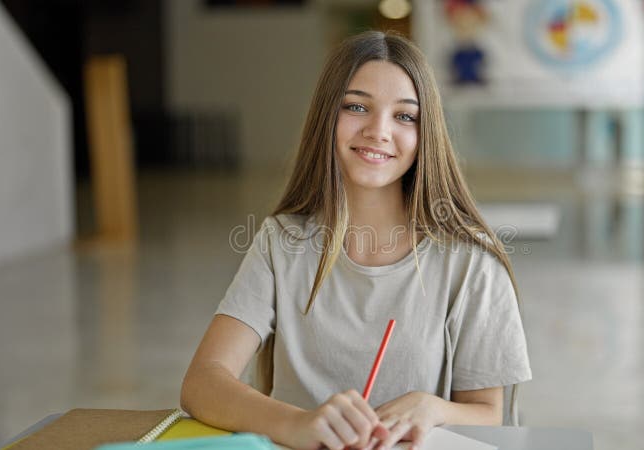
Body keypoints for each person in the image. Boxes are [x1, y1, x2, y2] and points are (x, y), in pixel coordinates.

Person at [180, 30, 531, 450]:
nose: (378, 131)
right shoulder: (282, 242)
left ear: (426, 134)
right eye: (357, 106)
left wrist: (432, 408)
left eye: (404, 116)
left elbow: (489, 415)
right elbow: (202, 382)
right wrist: (299, 424)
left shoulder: (471, 261)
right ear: (327, 116)